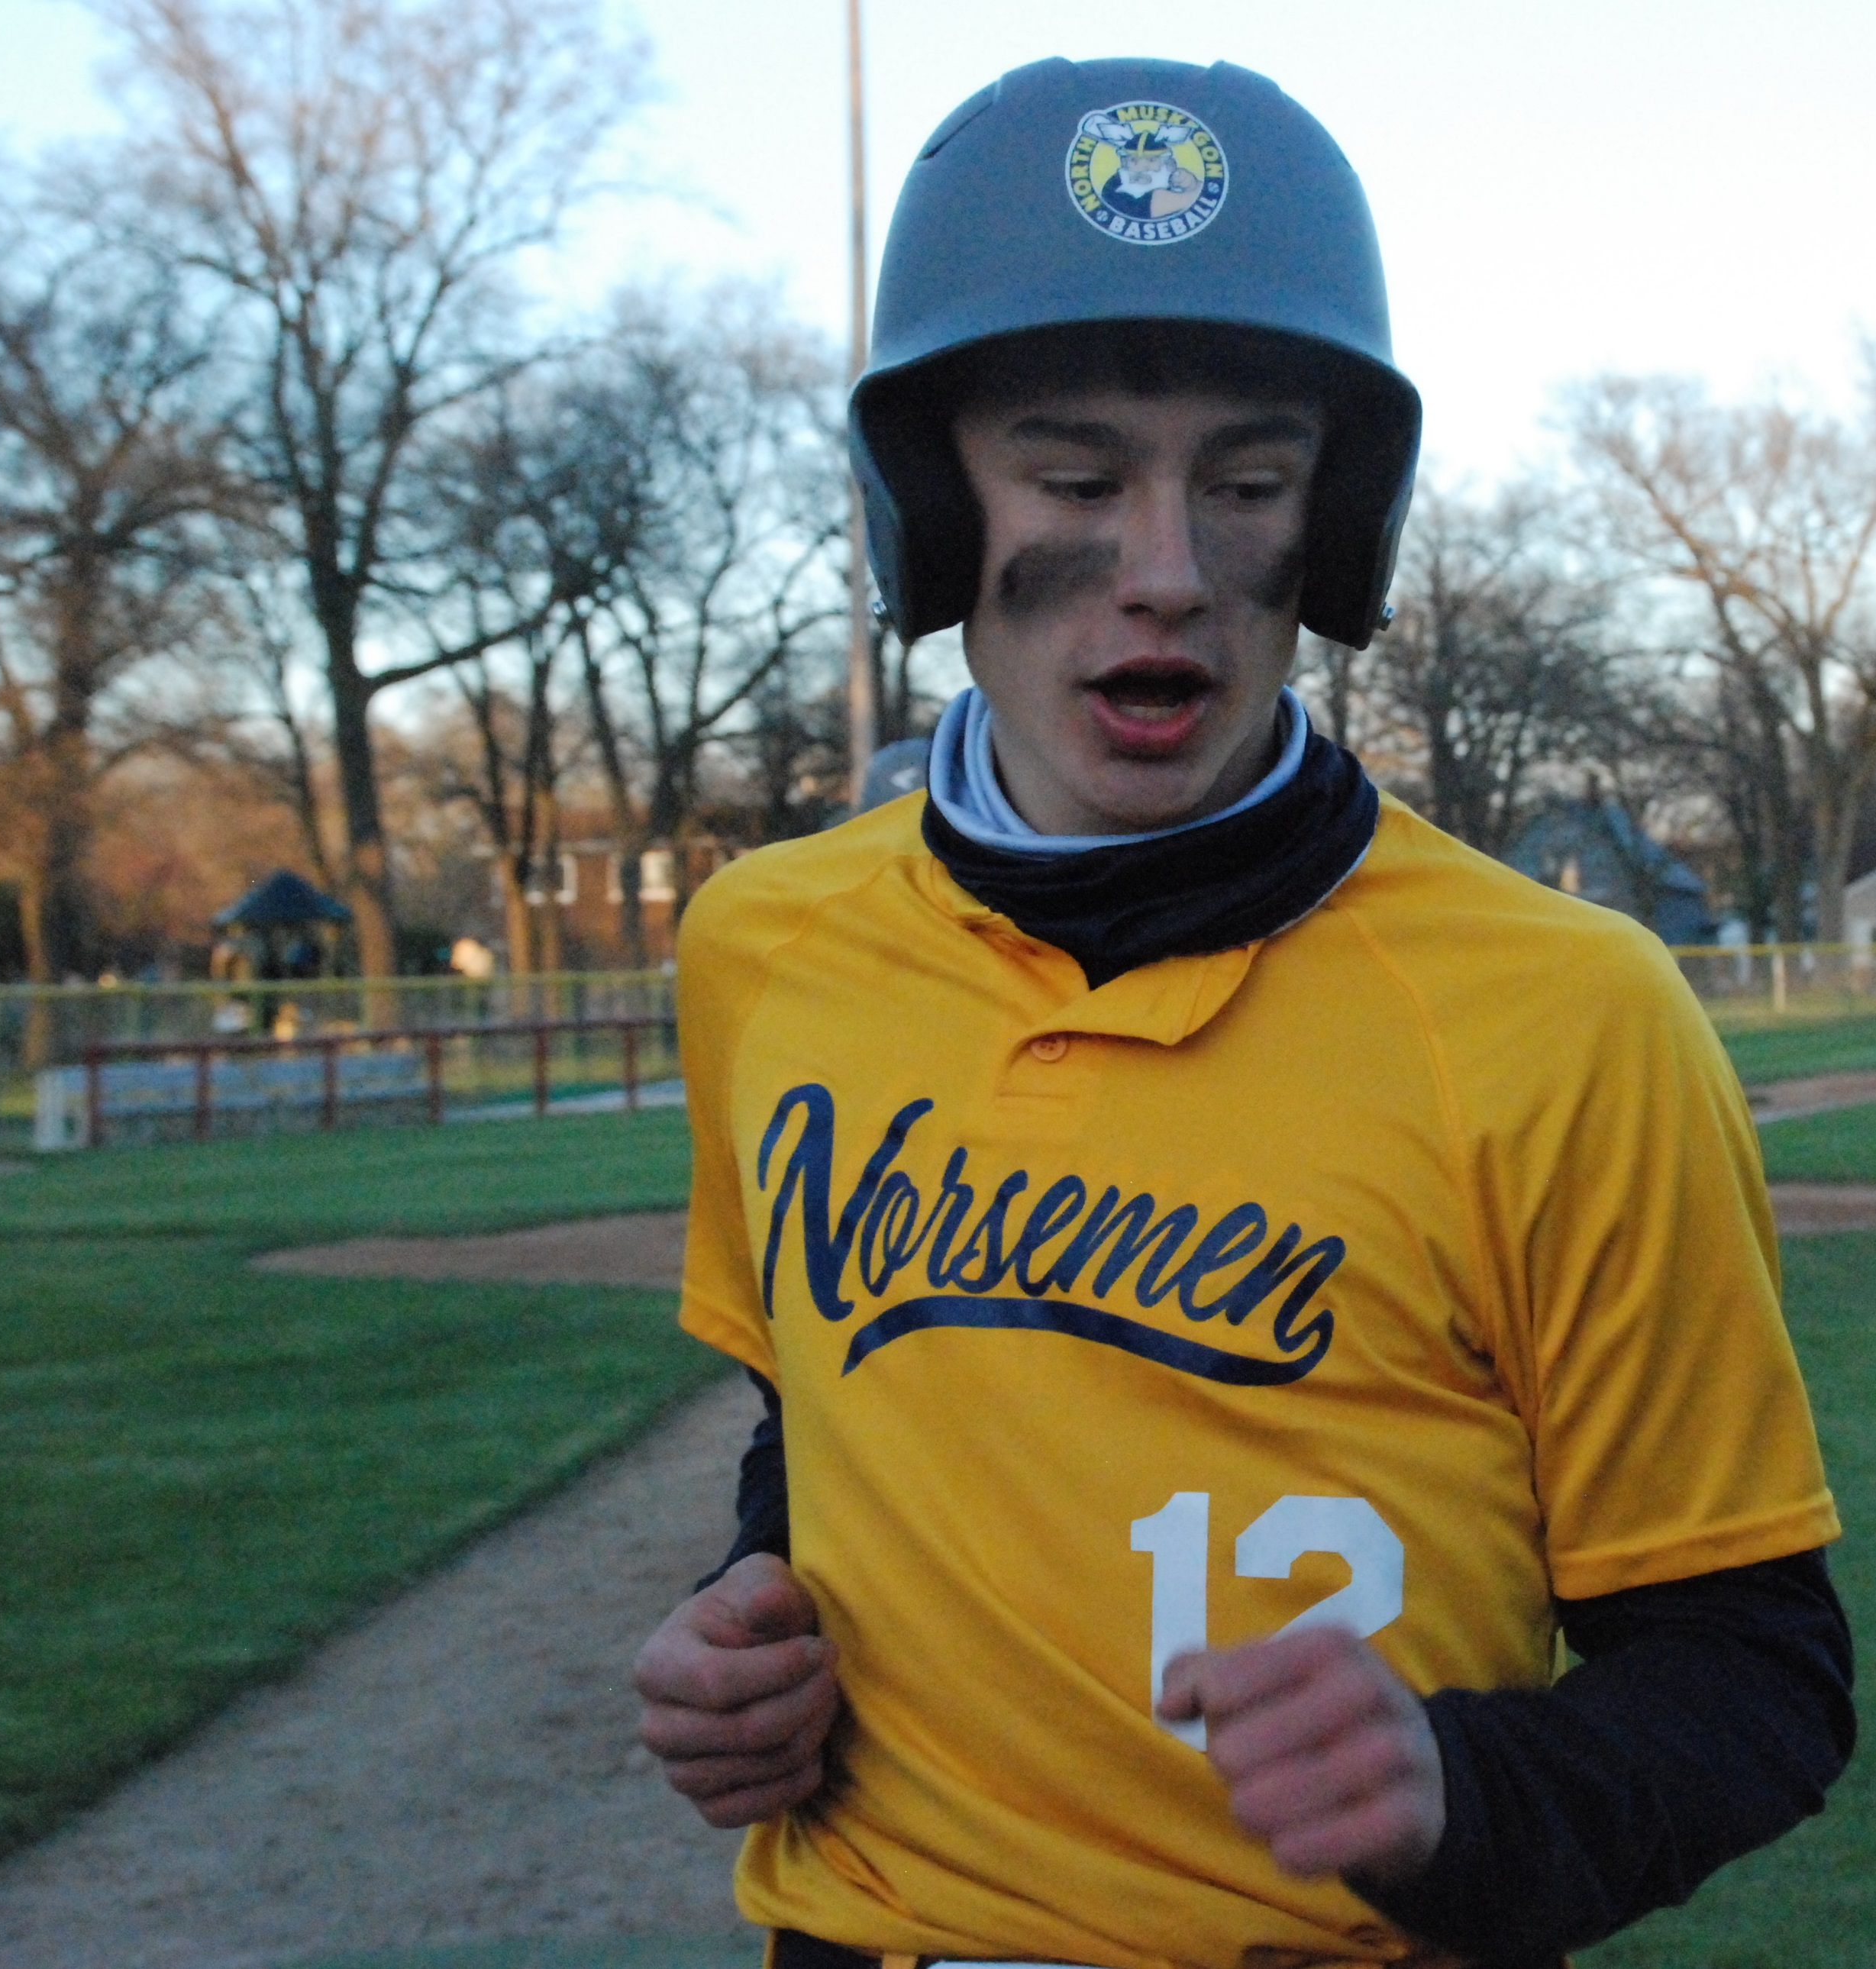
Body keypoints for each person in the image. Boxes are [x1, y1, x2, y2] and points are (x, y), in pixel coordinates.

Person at [634, 56, 1853, 1969]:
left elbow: (1752, 1677)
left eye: (1248, 481)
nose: (1167, 571)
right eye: (1073, 473)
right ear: (932, 511)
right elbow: (825, 1412)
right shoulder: (764, 952)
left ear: (1332, 526)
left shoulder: (1564, 1008)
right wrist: (749, 1615)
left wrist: (1463, 1794)